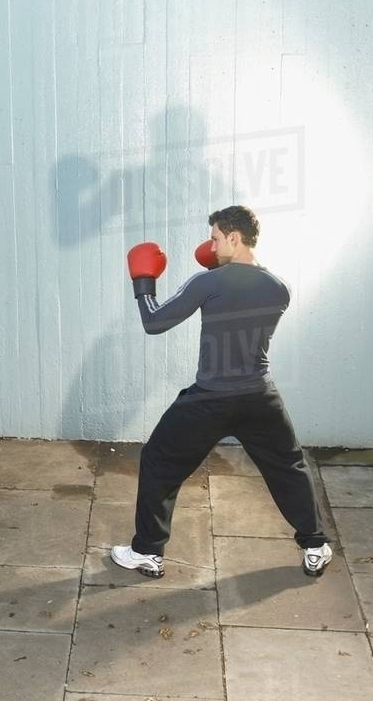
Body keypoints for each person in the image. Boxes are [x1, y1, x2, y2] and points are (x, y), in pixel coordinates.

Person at [111, 204, 332, 579]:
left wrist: (143, 280)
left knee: (158, 460)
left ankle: (147, 552)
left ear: (234, 236)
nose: (210, 247)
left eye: (215, 238)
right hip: (259, 397)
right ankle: (315, 545)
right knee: (289, 468)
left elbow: (154, 322)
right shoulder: (279, 288)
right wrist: (222, 271)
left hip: (211, 398)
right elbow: (240, 298)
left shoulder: (207, 283)